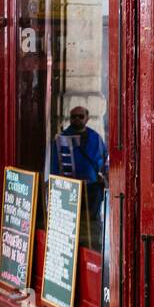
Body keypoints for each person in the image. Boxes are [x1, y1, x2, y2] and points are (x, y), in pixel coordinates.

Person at [50, 106, 107, 247]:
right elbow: (54, 167)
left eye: (80, 116)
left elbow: (105, 159)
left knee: (92, 222)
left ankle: (92, 244)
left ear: (87, 119)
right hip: (70, 188)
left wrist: (104, 175)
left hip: (91, 186)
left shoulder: (95, 138)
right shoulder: (61, 138)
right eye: (73, 116)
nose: (76, 119)